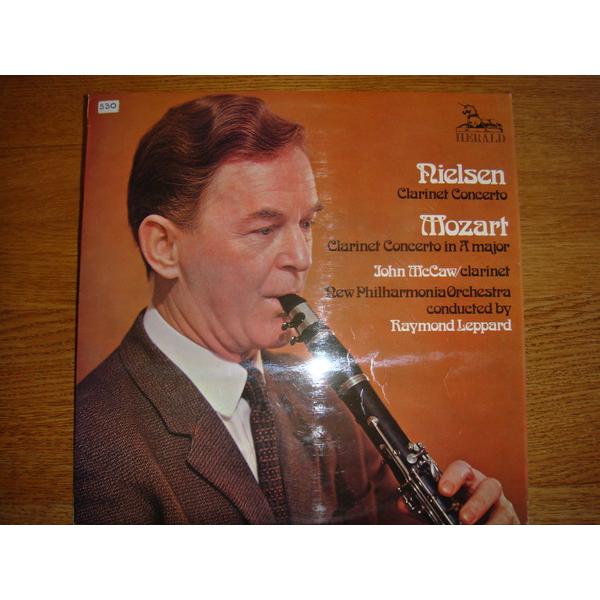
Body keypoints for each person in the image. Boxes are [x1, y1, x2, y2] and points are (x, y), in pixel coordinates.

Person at [75, 94, 519, 524]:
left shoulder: (323, 398)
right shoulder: (97, 441)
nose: (302, 258)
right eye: (264, 229)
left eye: (306, 223)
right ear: (164, 246)